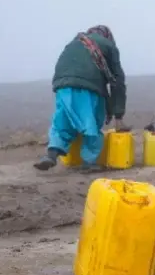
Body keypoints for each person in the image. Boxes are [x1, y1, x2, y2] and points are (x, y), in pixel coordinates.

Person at [34, 25, 128, 172]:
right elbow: (118, 81)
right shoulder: (108, 45)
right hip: (88, 85)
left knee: (62, 120)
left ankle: (51, 155)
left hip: (61, 85)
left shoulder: (75, 41)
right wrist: (118, 115)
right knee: (90, 122)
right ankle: (88, 162)